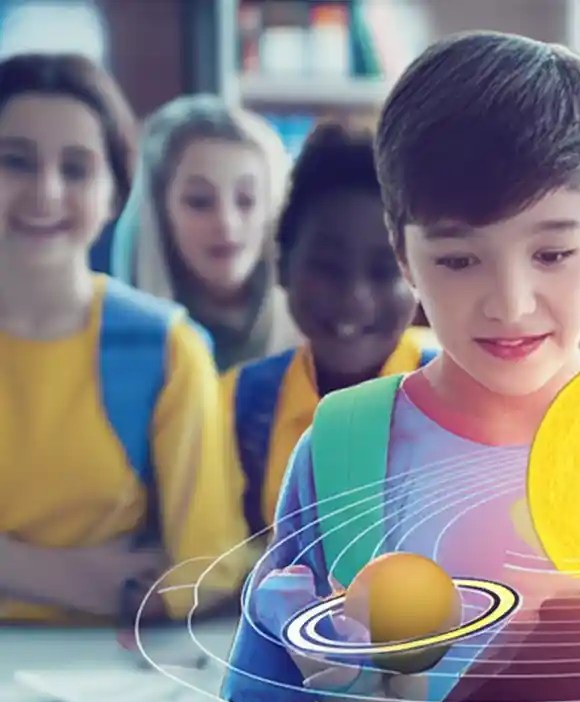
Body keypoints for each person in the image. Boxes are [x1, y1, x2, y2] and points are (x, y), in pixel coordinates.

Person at [221, 32, 580, 702]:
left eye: (552, 252)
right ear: (403, 253)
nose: (511, 303)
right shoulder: (343, 453)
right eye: (460, 260)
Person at [0, 53, 249, 625]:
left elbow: (211, 571)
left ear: (114, 194)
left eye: (77, 168)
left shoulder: (165, 349)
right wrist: (70, 575)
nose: (45, 192)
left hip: (109, 681)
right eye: (15, 162)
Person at [222, 122, 436, 538]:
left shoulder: (460, 392)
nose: (354, 298)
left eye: (383, 270)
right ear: (283, 265)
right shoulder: (239, 404)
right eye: (326, 267)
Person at [111, 94, 297, 370]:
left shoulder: (311, 334)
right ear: (161, 215)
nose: (226, 222)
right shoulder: (120, 344)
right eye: (200, 201)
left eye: (246, 200)